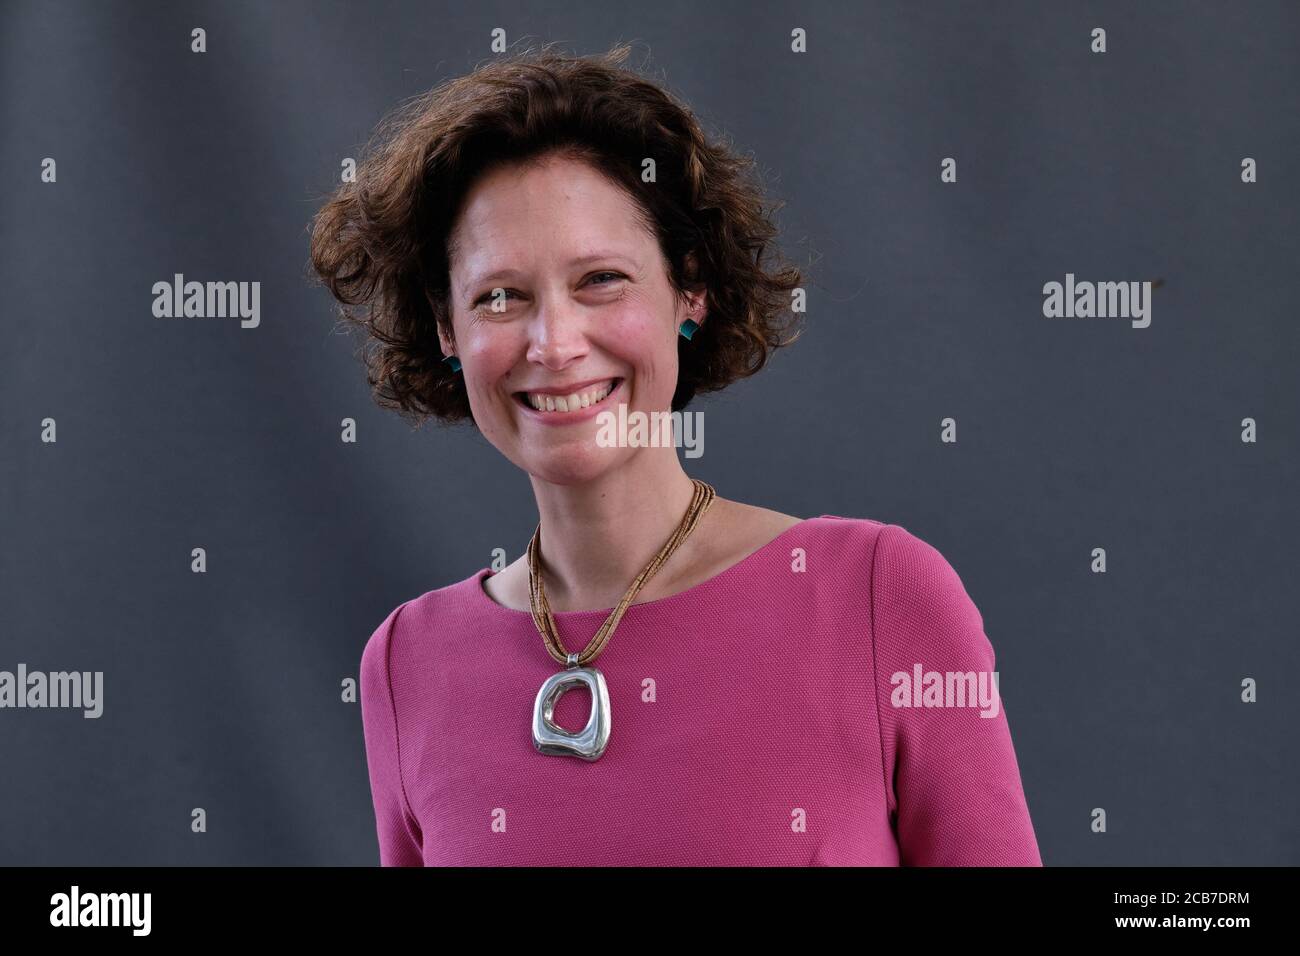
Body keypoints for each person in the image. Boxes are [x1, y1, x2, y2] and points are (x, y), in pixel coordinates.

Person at [309, 42, 1041, 866]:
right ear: (448, 330)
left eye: (600, 280)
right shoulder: (406, 662)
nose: (554, 343)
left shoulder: (880, 597)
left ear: (689, 290)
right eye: (500, 296)